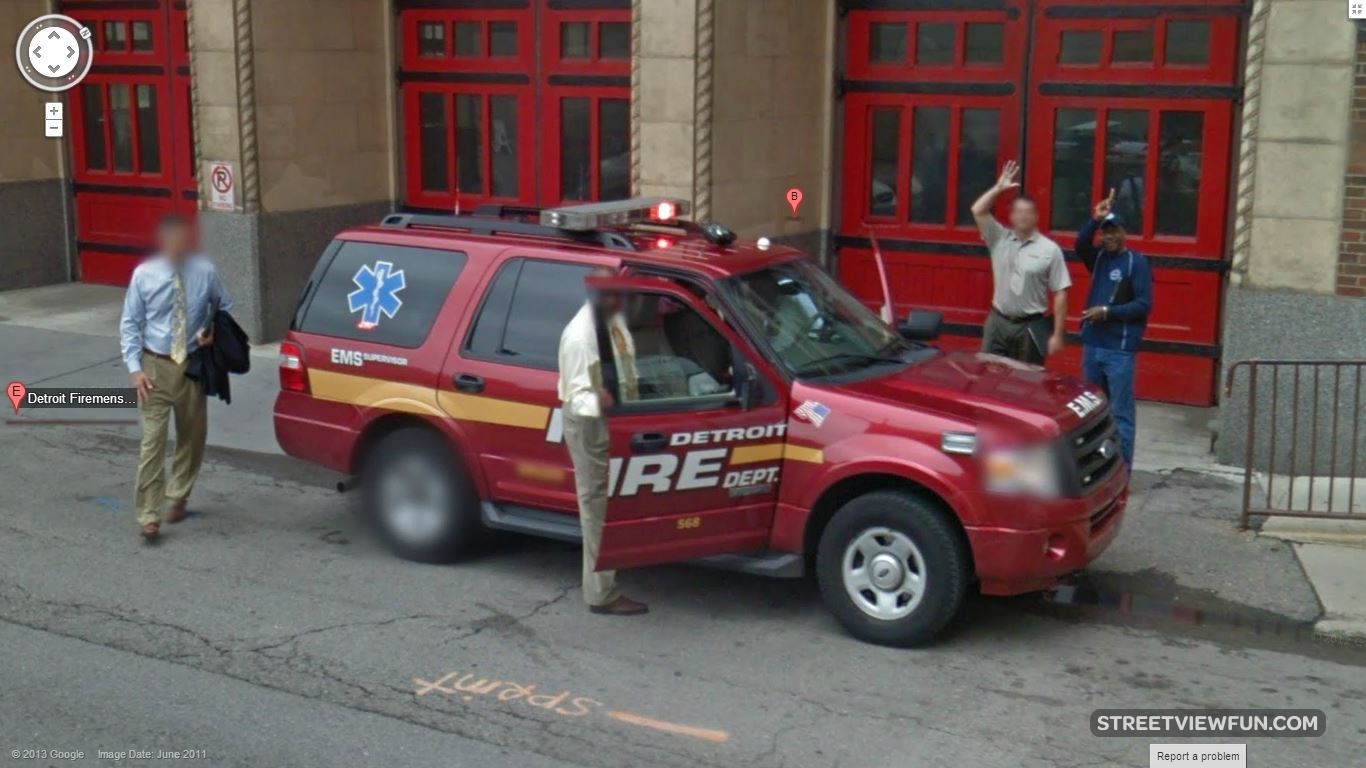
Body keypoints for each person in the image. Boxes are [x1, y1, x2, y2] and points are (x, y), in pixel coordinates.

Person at [119, 215, 233, 540]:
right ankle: (148, 516)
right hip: (154, 367)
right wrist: (134, 368)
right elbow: (130, 323)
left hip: (192, 367)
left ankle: (179, 493)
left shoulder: (205, 272)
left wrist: (212, 332)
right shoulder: (144, 275)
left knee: (192, 437)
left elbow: (224, 305)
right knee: (151, 443)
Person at [557, 266, 648, 616]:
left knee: (616, 497)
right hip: (590, 423)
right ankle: (600, 594)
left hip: (617, 419)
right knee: (596, 506)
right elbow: (576, 397)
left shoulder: (612, 319)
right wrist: (602, 402)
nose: (620, 300)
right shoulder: (580, 338)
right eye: (613, 294)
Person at [1076, 190, 1153, 466]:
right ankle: (1096, 467)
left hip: (1119, 349)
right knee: (1090, 411)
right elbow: (1080, 245)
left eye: (1113, 231)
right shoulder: (1099, 258)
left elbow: (1143, 305)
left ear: (1123, 232)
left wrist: (1107, 312)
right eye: (1104, 233)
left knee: (1120, 414)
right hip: (1092, 345)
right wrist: (1094, 219)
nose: (1108, 237)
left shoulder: (1136, 262)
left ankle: (1123, 470)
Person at [970, 160, 1071, 364]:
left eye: (1028, 212)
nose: (1023, 216)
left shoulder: (1049, 249)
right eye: (1018, 212)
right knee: (987, 377)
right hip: (998, 321)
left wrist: (1058, 334)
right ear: (1012, 216)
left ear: (1036, 216)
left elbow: (1061, 292)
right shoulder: (998, 238)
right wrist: (999, 188)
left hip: (1030, 325)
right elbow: (978, 210)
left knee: (1028, 382)